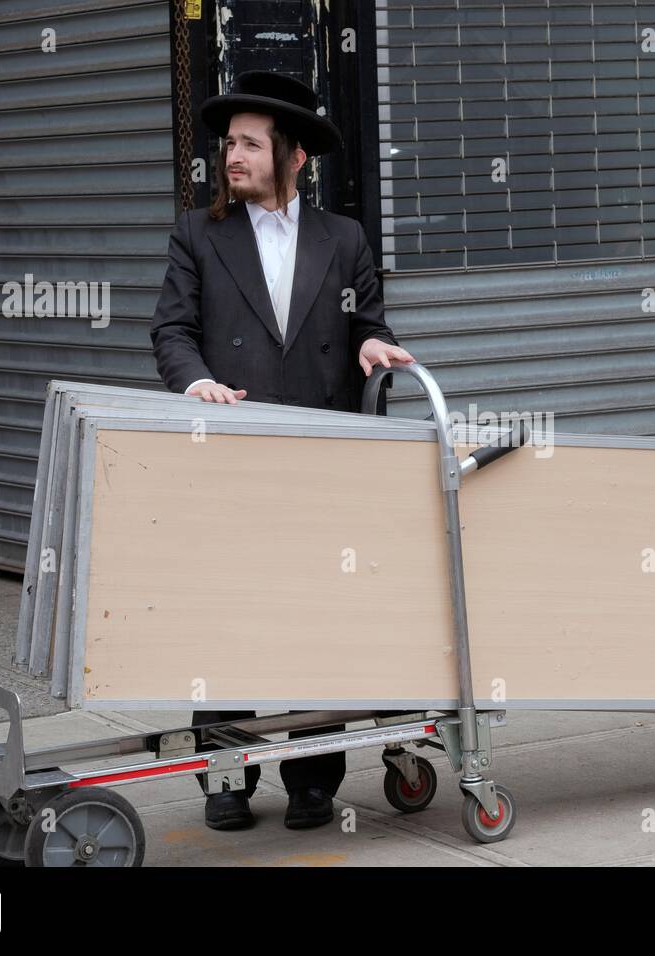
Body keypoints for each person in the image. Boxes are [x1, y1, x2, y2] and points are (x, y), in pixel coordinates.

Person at [150, 71, 415, 828]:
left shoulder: (345, 238)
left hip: (319, 458)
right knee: (226, 615)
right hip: (229, 455)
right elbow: (170, 330)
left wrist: (375, 349)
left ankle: (312, 777)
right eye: (228, 142)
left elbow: (368, 322)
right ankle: (225, 776)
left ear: (293, 155)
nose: (230, 155)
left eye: (248, 143)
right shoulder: (198, 234)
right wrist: (195, 380)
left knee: (314, 617)